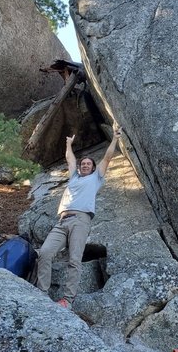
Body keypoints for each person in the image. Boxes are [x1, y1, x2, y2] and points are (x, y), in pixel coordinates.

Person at [36, 123, 122, 308]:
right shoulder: (74, 177)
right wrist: (68, 144)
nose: (84, 165)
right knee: (44, 253)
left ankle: (68, 299)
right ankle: (41, 293)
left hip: (81, 220)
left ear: (92, 168)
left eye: (88, 164)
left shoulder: (96, 178)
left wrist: (115, 138)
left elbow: (107, 158)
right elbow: (70, 160)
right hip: (62, 221)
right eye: (83, 163)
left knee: (74, 260)